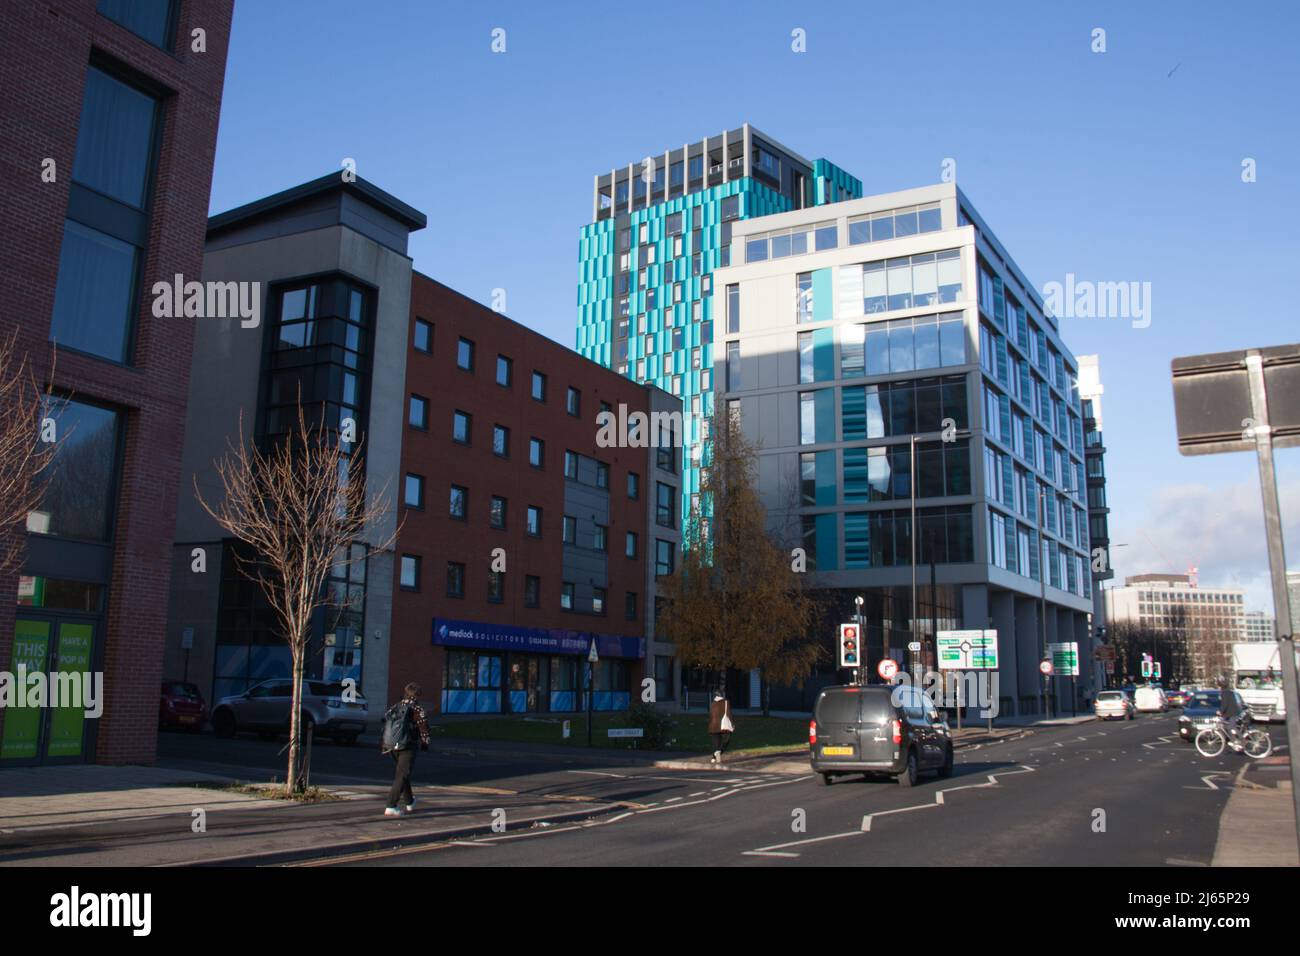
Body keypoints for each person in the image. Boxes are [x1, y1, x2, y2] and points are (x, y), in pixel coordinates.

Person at [381, 682, 429, 816]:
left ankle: (410, 802)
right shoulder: (417, 709)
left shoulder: (395, 706)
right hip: (407, 745)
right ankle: (391, 805)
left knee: (403, 774)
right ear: (417, 695)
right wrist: (425, 744)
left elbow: (385, 722)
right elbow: (424, 729)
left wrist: (384, 743)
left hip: (391, 745)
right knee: (401, 776)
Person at [1216, 675, 1246, 748]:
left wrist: (1220, 711)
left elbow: (1225, 704)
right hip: (1231, 713)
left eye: (1218, 684)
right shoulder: (1227, 691)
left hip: (1233, 713)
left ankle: (1242, 741)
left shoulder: (1225, 692)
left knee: (1231, 727)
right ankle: (1234, 741)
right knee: (1226, 726)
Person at [707, 689, 735, 764]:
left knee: (716, 743)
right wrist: (732, 724)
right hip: (723, 726)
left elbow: (710, 715)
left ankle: (715, 756)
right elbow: (729, 714)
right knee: (726, 740)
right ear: (722, 695)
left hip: (713, 726)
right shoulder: (726, 702)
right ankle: (716, 754)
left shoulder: (712, 703)